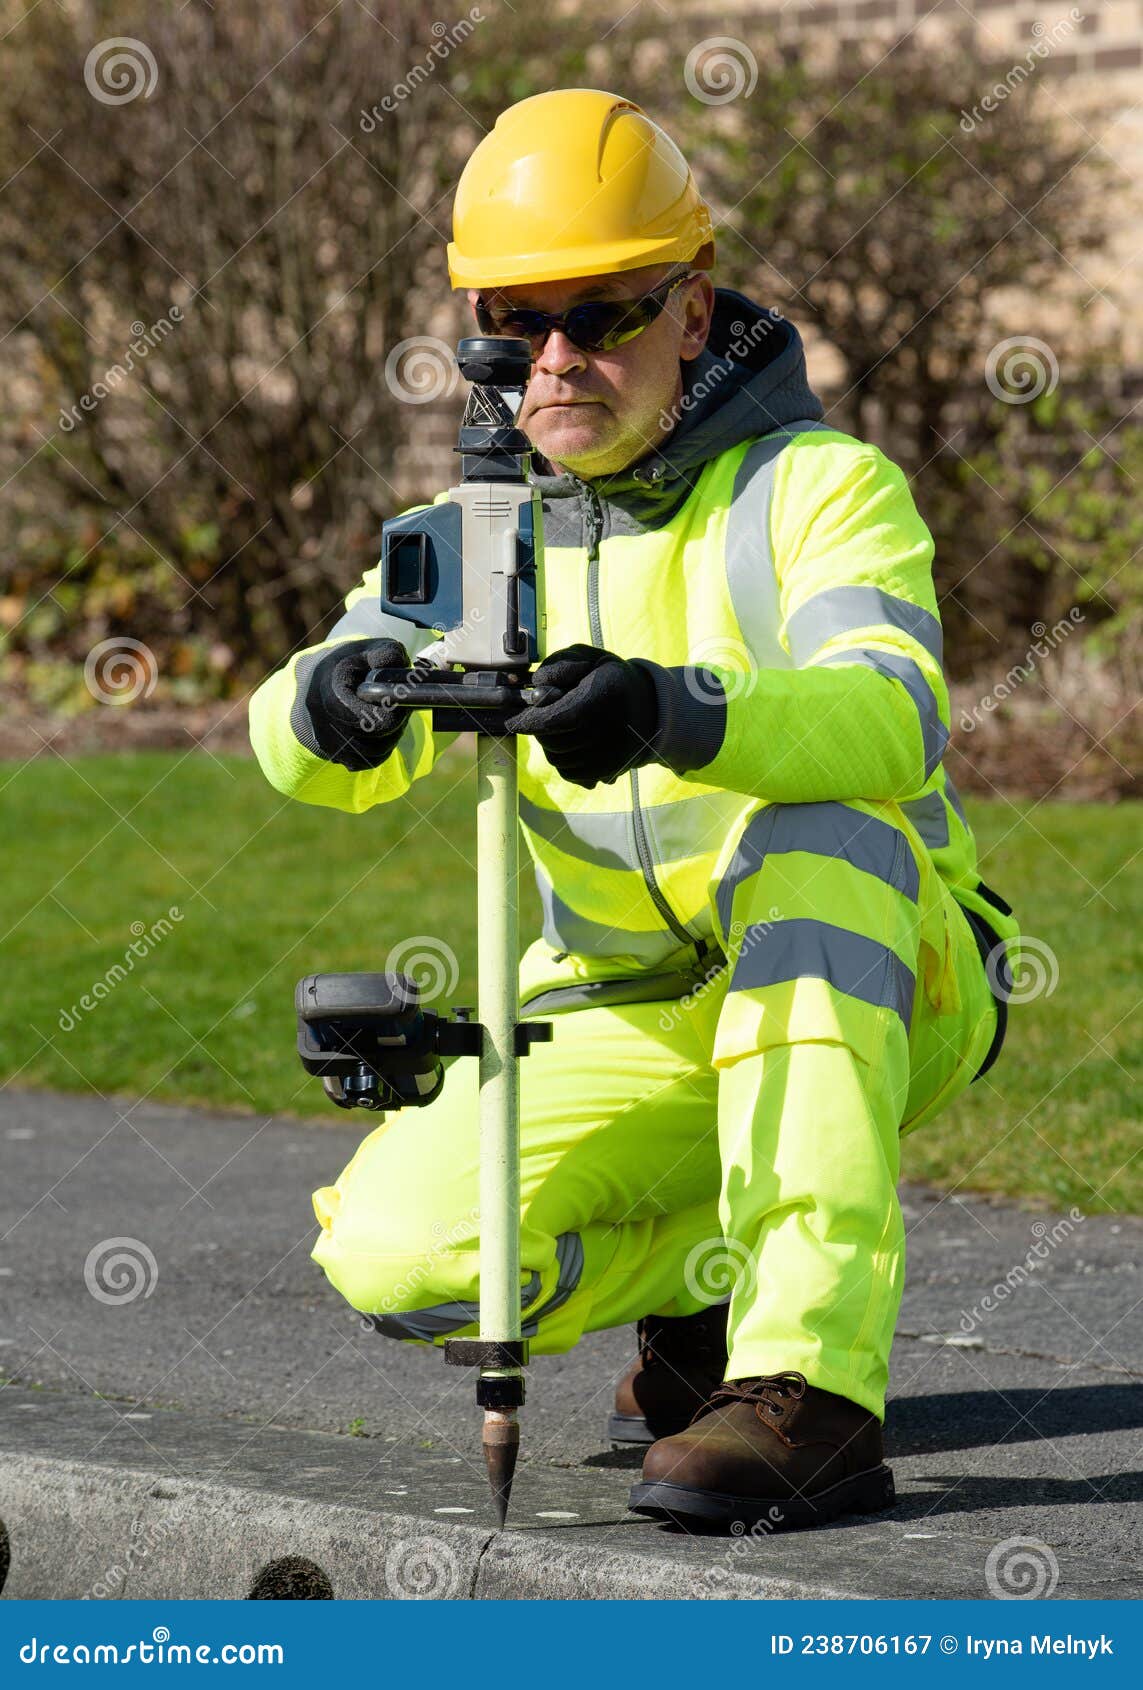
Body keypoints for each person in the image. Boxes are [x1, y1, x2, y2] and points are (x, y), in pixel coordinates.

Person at [247, 88, 1020, 1534]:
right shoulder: (477, 534)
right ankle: (703, 1310)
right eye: (509, 319)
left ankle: (813, 1382)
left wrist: (678, 707)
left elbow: (892, 716)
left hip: (875, 970)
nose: (553, 358)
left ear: (691, 307)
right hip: (620, 1007)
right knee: (402, 1255)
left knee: (819, 836)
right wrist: (328, 698)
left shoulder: (820, 490)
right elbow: (296, 742)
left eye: (603, 313)